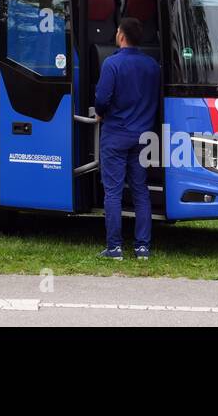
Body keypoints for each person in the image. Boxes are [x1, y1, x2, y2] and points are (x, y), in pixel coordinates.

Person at [94, 16, 161, 260]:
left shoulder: (111, 64)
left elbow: (102, 98)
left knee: (113, 192)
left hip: (115, 135)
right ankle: (142, 247)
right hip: (143, 136)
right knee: (140, 190)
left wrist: (101, 113)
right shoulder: (153, 65)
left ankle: (114, 248)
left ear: (121, 36)